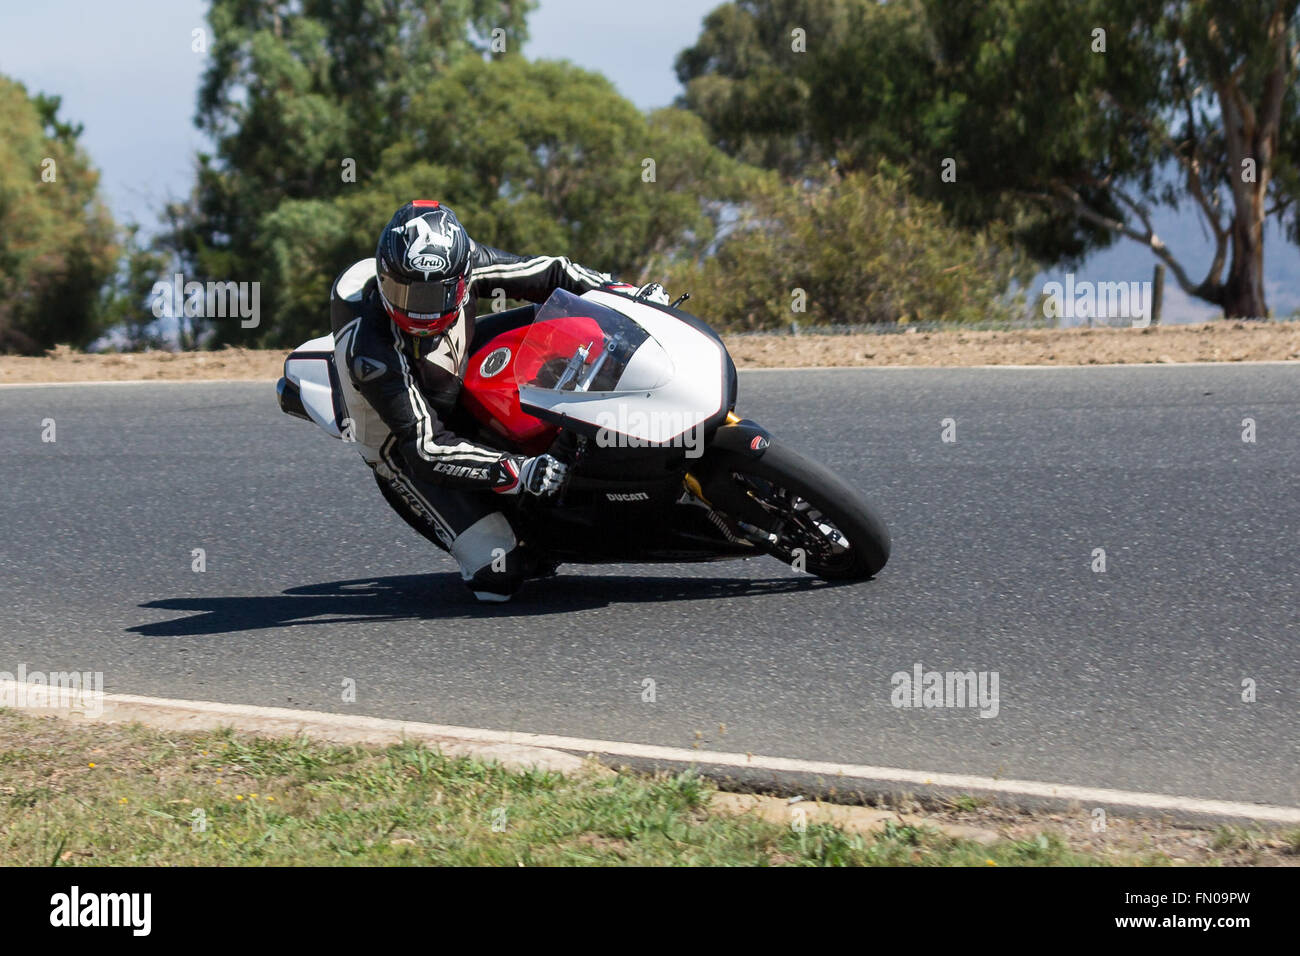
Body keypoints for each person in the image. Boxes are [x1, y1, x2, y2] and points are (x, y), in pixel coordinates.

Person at [326, 199, 636, 602]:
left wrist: (621, 291)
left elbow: (549, 271)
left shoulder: (467, 260)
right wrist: (518, 471)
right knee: (502, 571)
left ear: (461, 275)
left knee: (577, 331)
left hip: (457, 368)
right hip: (401, 445)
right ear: (385, 280)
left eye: (436, 294)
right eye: (407, 293)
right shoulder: (373, 352)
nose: (421, 310)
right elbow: (426, 447)